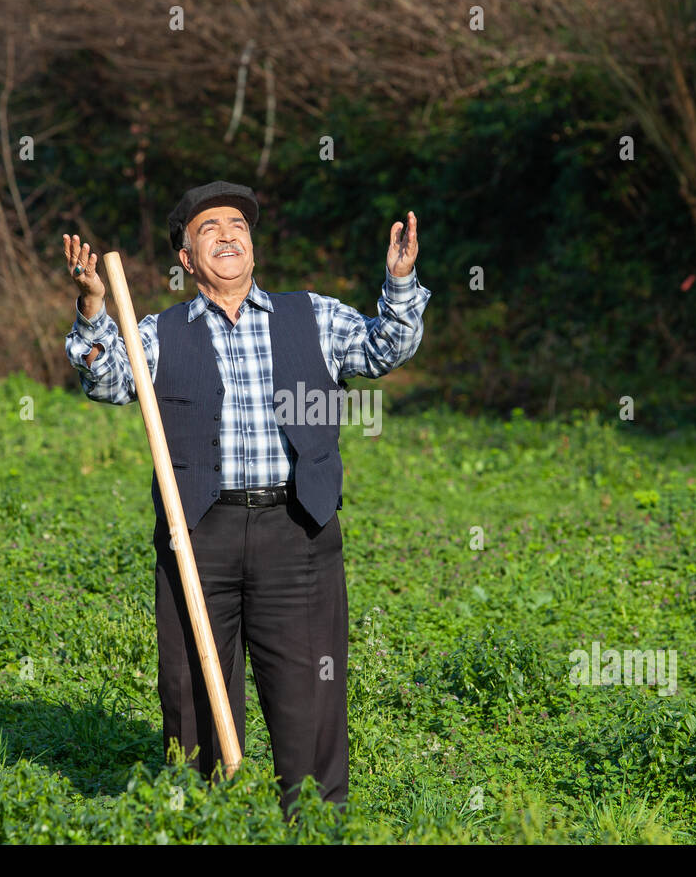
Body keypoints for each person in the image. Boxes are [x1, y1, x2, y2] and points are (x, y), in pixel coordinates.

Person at [62, 180, 430, 815]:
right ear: (185, 259)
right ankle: (208, 819)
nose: (227, 234)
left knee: (308, 693)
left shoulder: (310, 315)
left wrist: (399, 281)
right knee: (191, 689)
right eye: (208, 229)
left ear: (252, 244)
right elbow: (107, 379)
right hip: (197, 532)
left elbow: (384, 348)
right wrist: (94, 309)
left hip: (298, 531)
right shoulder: (160, 332)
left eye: (237, 225)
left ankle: (313, 823)